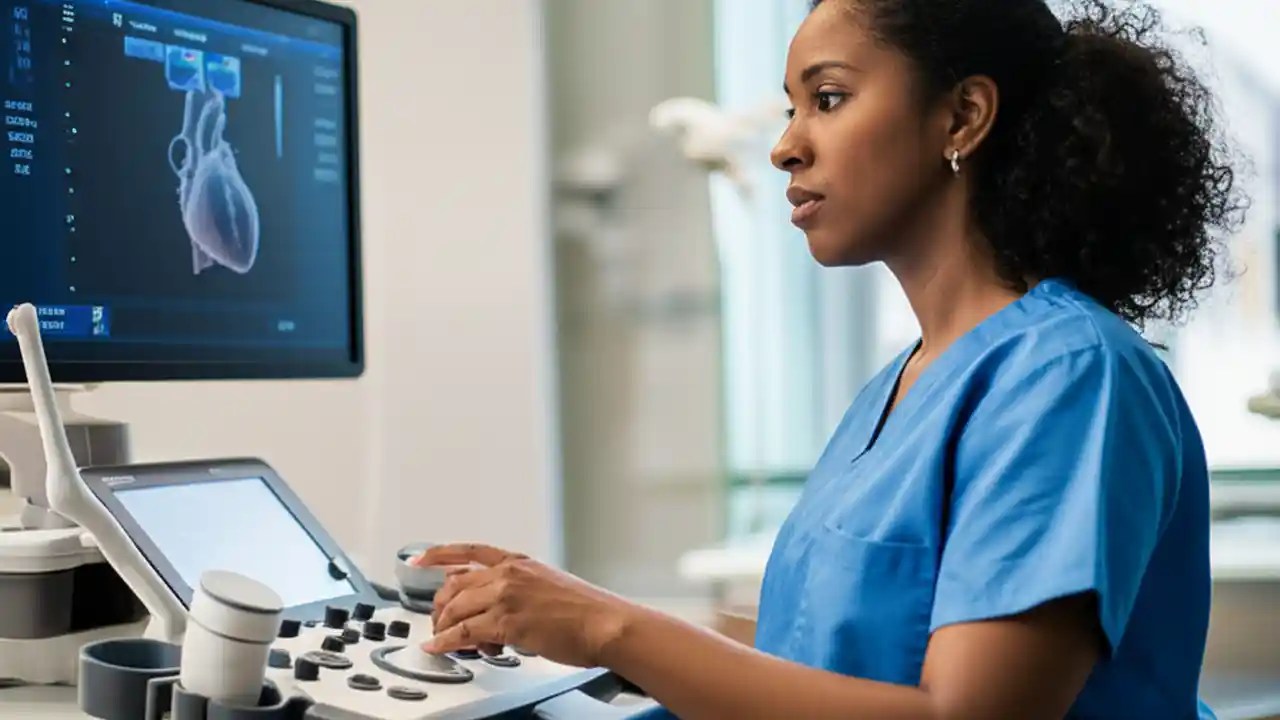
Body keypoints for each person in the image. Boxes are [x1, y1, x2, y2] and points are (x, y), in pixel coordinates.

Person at [414, 0, 1247, 717]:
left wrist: (608, 629)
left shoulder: (1071, 375)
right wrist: (569, 619)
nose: (785, 147)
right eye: (792, 109)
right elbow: (820, 658)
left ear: (963, 117)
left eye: (829, 98)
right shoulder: (906, 383)